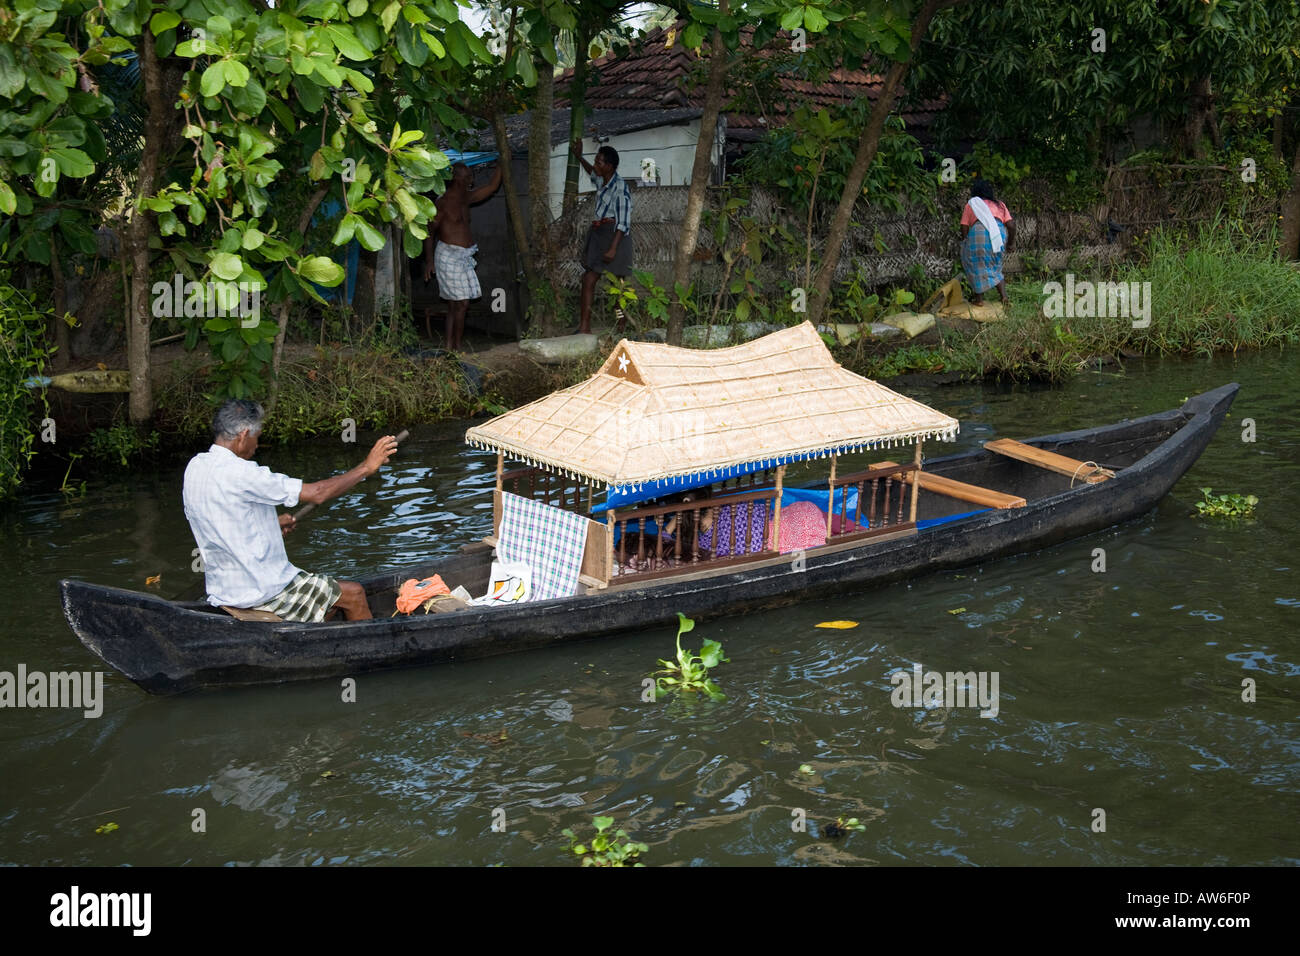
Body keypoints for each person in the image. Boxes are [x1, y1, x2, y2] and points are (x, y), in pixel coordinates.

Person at [182, 399, 399, 622]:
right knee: (354, 594)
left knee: (330, 604)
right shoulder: (243, 473)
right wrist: (366, 467)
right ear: (244, 434)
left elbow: (221, 519)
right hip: (261, 591)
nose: (257, 445)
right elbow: (318, 492)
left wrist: (271, 524)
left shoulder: (196, 467)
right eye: (257, 437)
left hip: (223, 589)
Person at [422, 161, 502, 351]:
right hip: (448, 256)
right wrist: (429, 261)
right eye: (467, 177)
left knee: (456, 305)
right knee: (462, 303)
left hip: (464, 257)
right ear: (457, 179)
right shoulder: (442, 203)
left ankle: (451, 347)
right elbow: (429, 233)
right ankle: (455, 347)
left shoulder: (466, 198)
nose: (471, 180)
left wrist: (501, 165)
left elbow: (491, 187)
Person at [570, 140, 633, 334]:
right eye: (596, 161)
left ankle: (621, 326)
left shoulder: (620, 188)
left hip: (615, 236)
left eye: (599, 162)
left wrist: (613, 248)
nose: (596, 165)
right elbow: (592, 172)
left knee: (617, 287)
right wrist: (579, 157)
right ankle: (585, 327)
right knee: (588, 279)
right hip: (598, 233)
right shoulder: (602, 179)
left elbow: (623, 222)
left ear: (610, 166)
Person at [960, 179, 1016, 305]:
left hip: (978, 234)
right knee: (995, 265)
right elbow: (1011, 225)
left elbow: (964, 226)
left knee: (975, 264)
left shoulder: (972, 204)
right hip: (998, 234)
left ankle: (979, 300)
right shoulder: (1000, 205)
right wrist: (1010, 243)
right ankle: (1004, 297)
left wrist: (965, 242)